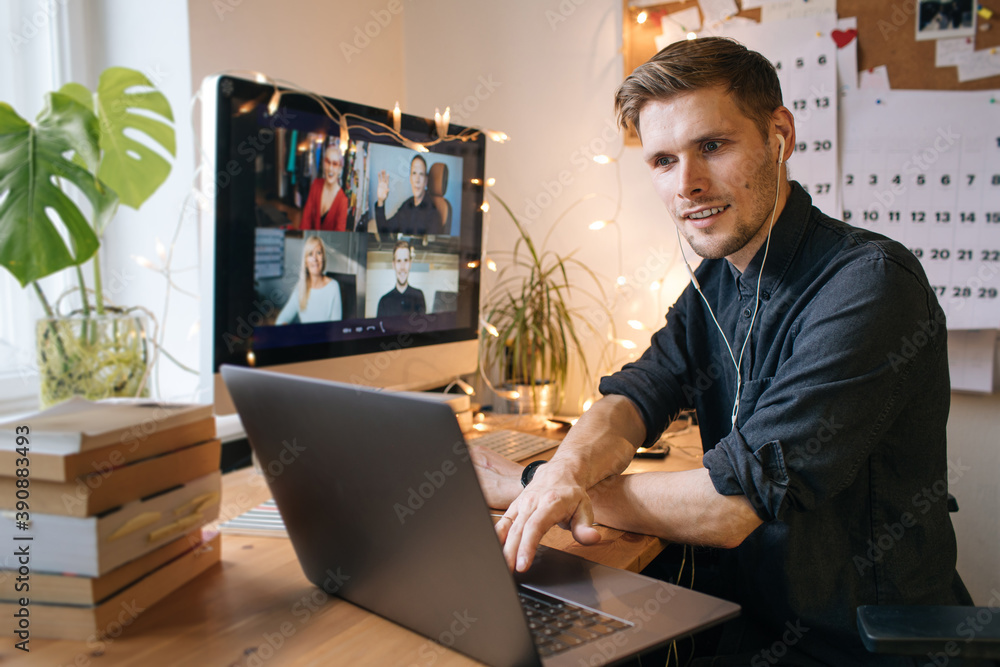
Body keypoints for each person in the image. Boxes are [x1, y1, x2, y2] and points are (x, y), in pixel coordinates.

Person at [471, 37, 971, 665]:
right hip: (739, 618)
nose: (689, 184)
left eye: (712, 145)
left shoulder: (870, 285)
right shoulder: (718, 280)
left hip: (850, 645)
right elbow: (635, 396)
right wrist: (564, 471)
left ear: (779, 135)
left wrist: (531, 485)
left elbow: (731, 506)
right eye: (661, 161)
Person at [275, 235, 342, 324]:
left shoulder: (333, 287)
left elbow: (336, 328)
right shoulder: (300, 288)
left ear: (323, 258)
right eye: (310, 254)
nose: (315, 258)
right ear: (305, 262)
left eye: (318, 252)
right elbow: (281, 320)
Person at [374, 154, 443, 235]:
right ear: (410, 178)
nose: (417, 180)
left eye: (421, 174)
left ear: (426, 181)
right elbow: (384, 232)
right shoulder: (407, 205)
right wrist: (381, 201)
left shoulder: (433, 214)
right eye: (414, 173)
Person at [300, 144, 348, 232]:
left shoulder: (342, 201)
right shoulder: (316, 184)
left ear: (340, 169)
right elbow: (306, 218)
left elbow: (339, 233)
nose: (330, 168)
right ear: (323, 163)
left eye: (335, 164)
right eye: (328, 162)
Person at [376, 240, 426, 317]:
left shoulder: (418, 297)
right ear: (393, 264)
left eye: (405, 260)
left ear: (410, 263)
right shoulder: (384, 302)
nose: (402, 267)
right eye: (399, 261)